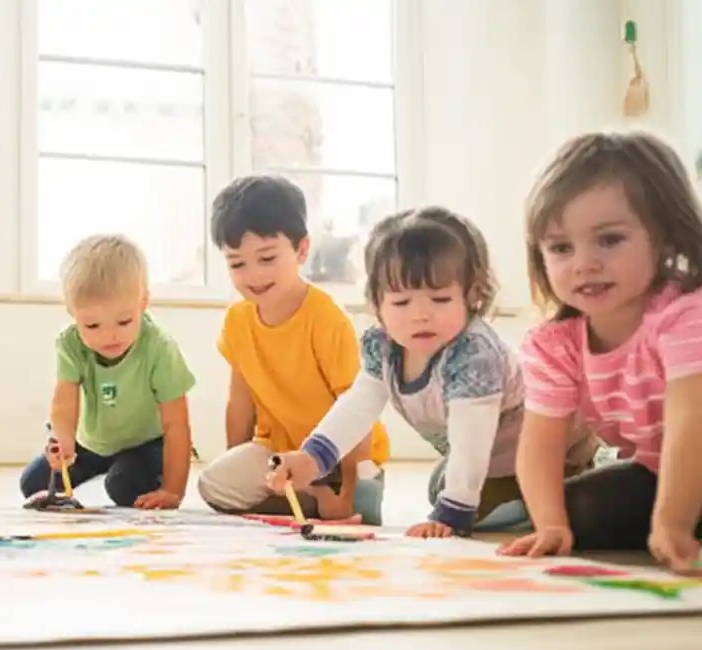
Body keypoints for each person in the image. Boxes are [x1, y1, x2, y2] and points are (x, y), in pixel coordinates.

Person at [266, 206, 598, 537]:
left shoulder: (473, 354)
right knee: (442, 488)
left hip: (553, 451)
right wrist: (311, 458)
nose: (420, 316)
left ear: (471, 297)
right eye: (401, 303)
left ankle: (574, 481)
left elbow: (472, 438)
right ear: (377, 303)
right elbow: (357, 407)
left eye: (440, 299)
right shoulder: (383, 346)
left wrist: (453, 515)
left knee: (464, 505)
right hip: (496, 458)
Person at [499, 130, 702, 574]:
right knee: (578, 509)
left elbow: (693, 425)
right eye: (560, 248)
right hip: (660, 471)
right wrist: (550, 524)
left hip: (694, 458)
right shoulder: (557, 343)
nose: (583, 263)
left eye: (609, 240)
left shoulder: (687, 315)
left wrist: (673, 520)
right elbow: (540, 443)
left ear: (666, 236)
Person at [197, 175, 389, 524]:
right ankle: (310, 497)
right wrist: (237, 461)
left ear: (301, 250)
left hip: (345, 457)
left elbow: (357, 411)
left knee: (363, 504)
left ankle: (329, 494)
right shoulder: (237, 320)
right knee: (214, 484)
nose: (253, 275)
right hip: (280, 455)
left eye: (267, 258)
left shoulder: (327, 320)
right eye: (237, 263)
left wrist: (346, 495)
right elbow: (239, 401)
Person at [19, 234, 195, 510]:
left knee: (124, 487)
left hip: (145, 444)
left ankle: (137, 471)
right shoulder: (69, 343)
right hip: (92, 443)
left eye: (124, 321)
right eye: (92, 326)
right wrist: (63, 442)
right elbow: (64, 402)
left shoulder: (159, 346)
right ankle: (97, 464)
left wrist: (173, 491)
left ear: (143, 303)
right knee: (34, 484)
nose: (109, 336)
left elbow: (177, 424)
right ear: (71, 312)